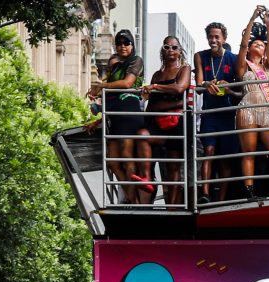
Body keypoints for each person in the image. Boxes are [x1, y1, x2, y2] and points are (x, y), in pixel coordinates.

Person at [232, 8, 269, 200]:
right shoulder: (243, 66)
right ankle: (249, 192)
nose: (258, 45)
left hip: (267, 111)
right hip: (247, 109)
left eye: (261, 44)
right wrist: (251, 19)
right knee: (249, 152)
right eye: (255, 43)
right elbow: (242, 45)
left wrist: (267, 22)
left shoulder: (268, 67)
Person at [100, 30, 151, 205]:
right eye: (119, 43)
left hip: (129, 113)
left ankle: (133, 201)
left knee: (127, 158)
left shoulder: (136, 60)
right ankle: (131, 196)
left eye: (126, 43)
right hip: (115, 116)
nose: (122, 46)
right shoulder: (116, 67)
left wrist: (101, 86)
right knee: (113, 162)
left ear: (132, 45)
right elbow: (110, 94)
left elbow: (127, 83)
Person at [195, 22, 241, 201]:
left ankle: (221, 199)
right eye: (210, 37)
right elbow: (199, 86)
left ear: (224, 38)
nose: (213, 40)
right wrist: (207, 84)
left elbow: (241, 92)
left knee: (225, 159)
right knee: (209, 150)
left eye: (217, 37)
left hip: (228, 113)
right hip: (209, 113)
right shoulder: (200, 56)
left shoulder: (233, 58)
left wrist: (229, 89)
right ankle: (205, 194)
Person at [144, 36, 192, 208]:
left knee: (173, 166)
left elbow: (180, 88)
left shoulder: (184, 69)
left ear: (180, 51)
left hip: (178, 121)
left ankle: (172, 207)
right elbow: (151, 104)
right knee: (142, 138)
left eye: (174, 47)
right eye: (167, 47)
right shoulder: (157, 75)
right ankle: (147, 182)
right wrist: (145, 120)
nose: (170, 50)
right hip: (158, 122)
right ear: (162, 50)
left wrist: (156, 87)